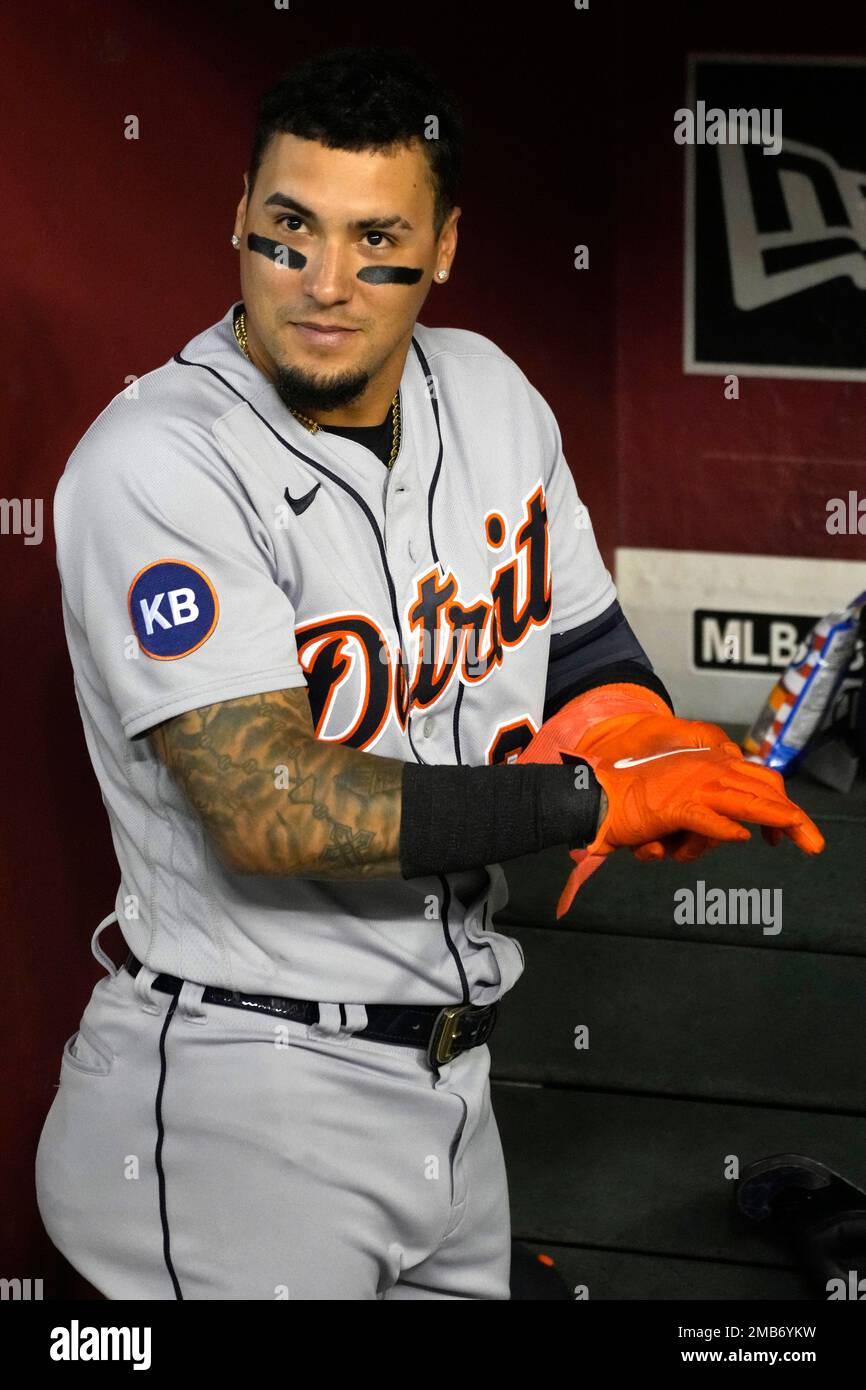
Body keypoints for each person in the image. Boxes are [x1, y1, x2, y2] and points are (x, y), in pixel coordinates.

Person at [35, 44, 823, 1301]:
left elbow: (581, 645)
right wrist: (588, 801)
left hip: (456, 1091)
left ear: (444, 247)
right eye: (288, 230)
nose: (324, 282)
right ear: (238, 213)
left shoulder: (494, 393)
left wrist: (630, 734)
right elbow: (266, 806)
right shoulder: (158, 459)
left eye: (376, 240)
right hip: (242, 1101)